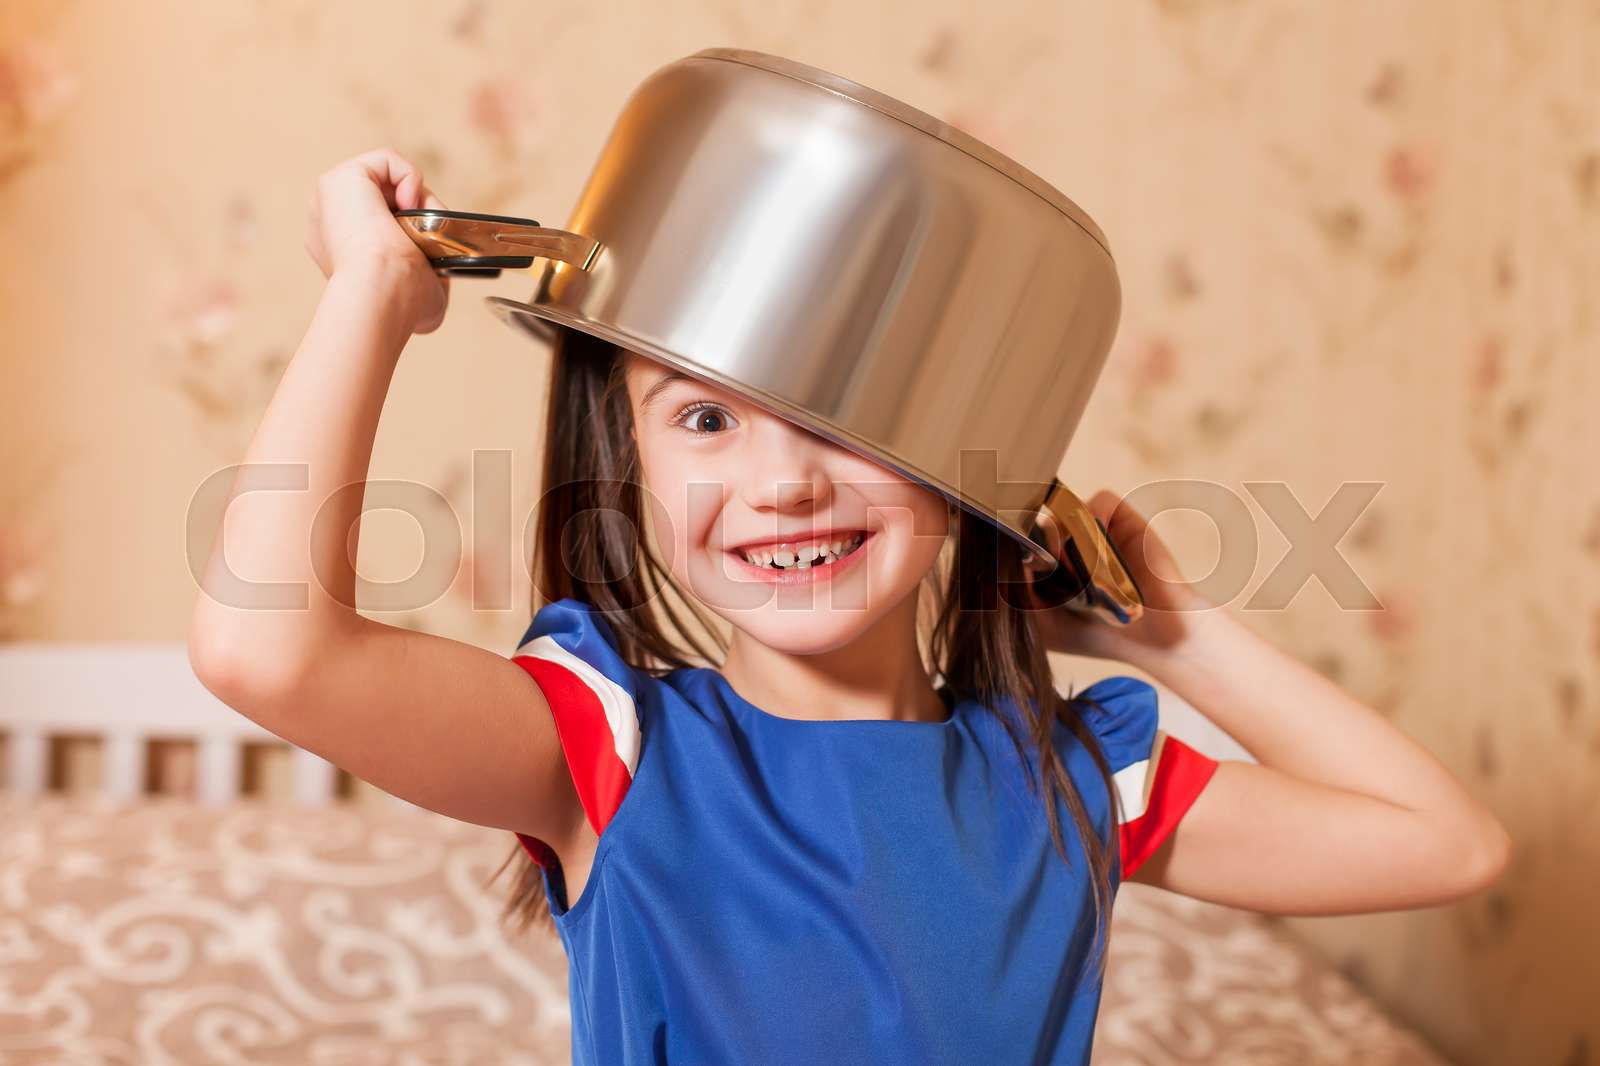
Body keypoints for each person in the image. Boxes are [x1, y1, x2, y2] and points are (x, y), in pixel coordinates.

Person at [189, 148, 1512, 1065]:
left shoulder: (1070, 777)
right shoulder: (604, 747)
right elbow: (263, 648)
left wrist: (1170, 633)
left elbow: (1446, 847)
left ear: (965, 461)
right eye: (705, 418)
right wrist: (366, 296)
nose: (784, 482)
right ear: (630, 465)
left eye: (854, 419)